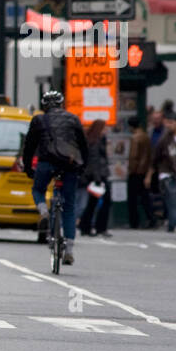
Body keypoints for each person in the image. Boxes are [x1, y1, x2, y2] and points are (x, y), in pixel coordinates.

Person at [22, 89, 87, 265]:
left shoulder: (39, 120)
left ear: (44, 106)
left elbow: (29, 146)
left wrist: (28, 167)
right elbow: (83, 145)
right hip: (70, 165)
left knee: (38, 189)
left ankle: (43, 211)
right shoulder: (73, 119)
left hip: (46, 163)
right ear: (61, 104)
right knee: (69, 205)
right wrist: (82, 167)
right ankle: (70, 249)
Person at [77, 118, 111, 237]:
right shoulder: (96, 141)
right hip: (98, 176)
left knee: (92, 202)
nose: (106, 130)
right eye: (104, 128)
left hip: (95, 175)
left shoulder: (94, 139)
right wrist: (98, 178)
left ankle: (85, 226)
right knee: (105, 201)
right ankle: (100, 227)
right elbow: (95, 160)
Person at [125, 116, 154, 229]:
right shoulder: (146, 136)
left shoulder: (135, 138)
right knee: (144, 197)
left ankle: (134, 222)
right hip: (144, 171)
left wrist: (130, 169)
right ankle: (151, 218)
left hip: (135, 171)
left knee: (132, 198)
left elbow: (133, 156)